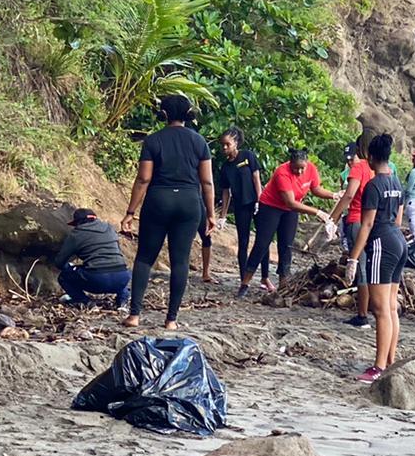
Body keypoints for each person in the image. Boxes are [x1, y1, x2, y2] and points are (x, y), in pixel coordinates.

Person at [122, 94, 217, 332]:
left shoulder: (153, 141)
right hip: (189, 202)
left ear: (164, 115)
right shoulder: (199, 142)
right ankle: (171, 320)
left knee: (145, 257)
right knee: (180, 261)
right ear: (188, 115)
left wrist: (130, 212)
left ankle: (134, 315)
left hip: (158, 200)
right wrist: (211, 214)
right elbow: (207, 183)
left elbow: (144, 179)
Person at [345, 134, 407, 381]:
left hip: (382, 242)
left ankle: (379, 366)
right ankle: (390, 359)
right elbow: (400, 220)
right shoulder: (396, 182)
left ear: (370, 157)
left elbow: (367, 224)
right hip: (398, 240)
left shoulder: (373, 186)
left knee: (380, 309)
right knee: (391, 307)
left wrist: (353, 258)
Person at [241, 150, 335, 294]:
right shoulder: (282, 173)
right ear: (290, 164)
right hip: (271, 206)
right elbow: (290, 202)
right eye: (296, 168)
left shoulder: (310, 169)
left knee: (287, 245)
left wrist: (333, 195)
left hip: (291, 210)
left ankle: (283, 284)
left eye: (302, 168)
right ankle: (245, 283)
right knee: (262, 243)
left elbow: (316, 189)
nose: (299, 171)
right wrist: (317, 212)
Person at [330, 140, 375, 330]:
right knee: (368, 268)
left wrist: (332, 218)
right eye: (347, 160)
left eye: (351, 158)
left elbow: (349, 196)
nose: (350, 163)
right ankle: (367, 311)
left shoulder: (359, 169)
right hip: (371, 221)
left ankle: (362, 315)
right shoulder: (374, 169)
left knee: (361, 268)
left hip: (357, 220)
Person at [215, 129, 264, 283]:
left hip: (255, 203)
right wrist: (222, 216)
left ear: (235, 143)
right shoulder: (225, 167)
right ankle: (244, 278)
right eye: (222, 145)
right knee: (243, 242)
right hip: (240, 206)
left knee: (262, 239)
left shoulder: (247, 156)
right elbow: (226, 192)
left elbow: (256, 179)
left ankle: (265, 277)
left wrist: (259, 200)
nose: (224, 148)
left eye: (227, 144)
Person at [54, 208, 130, 306]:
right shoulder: (109, 228)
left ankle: (85, 302)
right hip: (122, 277)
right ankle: (122, 301)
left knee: (64, 277)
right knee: (116, 270)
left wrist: (69, 267)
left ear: (78, 222)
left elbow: (59, 262)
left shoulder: (76, 234)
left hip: (98, 280)